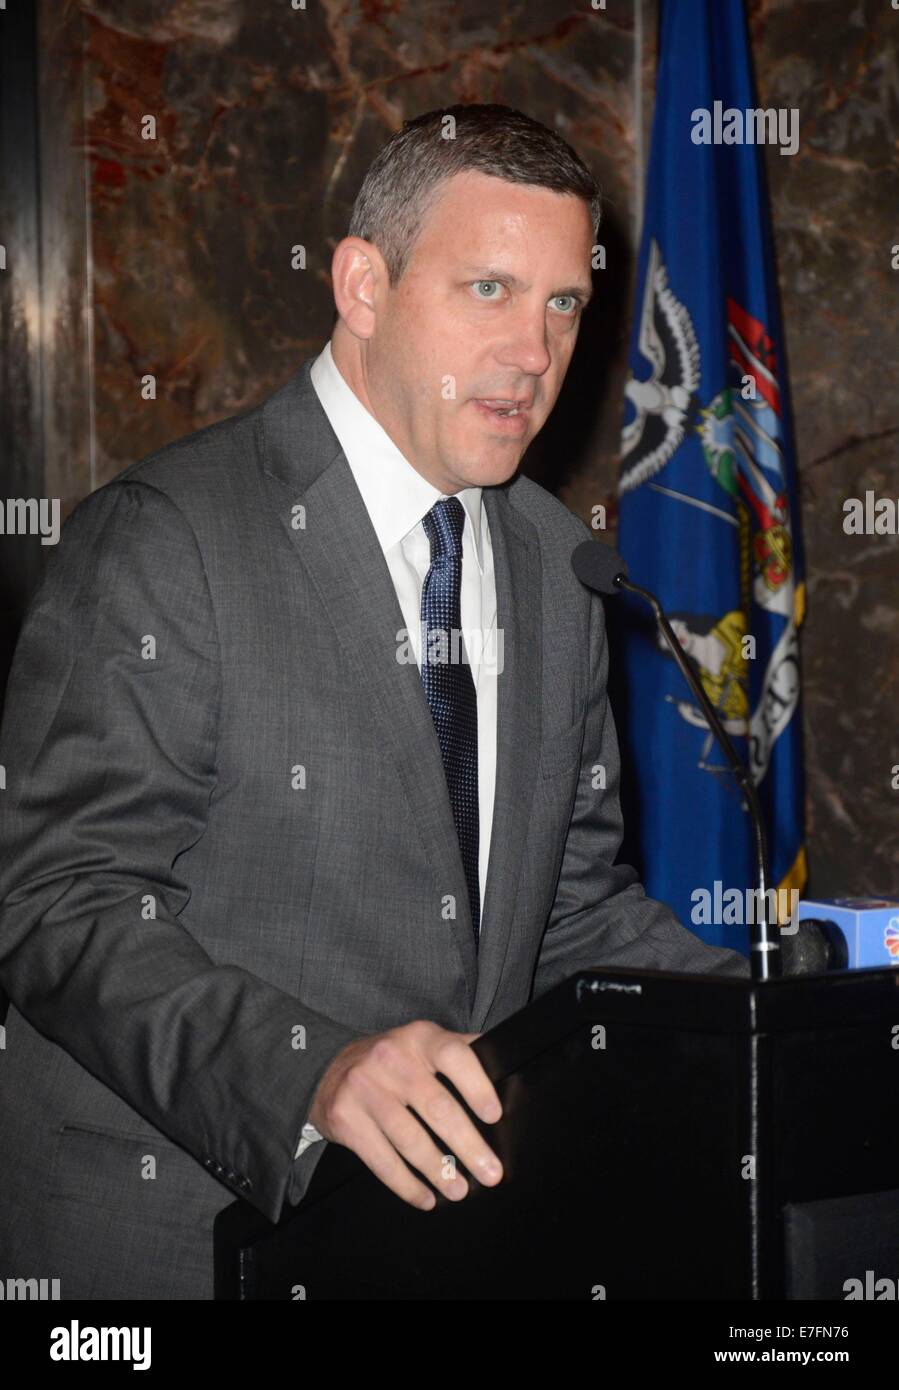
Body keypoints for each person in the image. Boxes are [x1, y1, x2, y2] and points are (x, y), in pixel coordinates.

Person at [0, 103, 748, 1301]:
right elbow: (59, 902)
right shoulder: (171, 537)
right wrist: (310, 1072)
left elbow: (569, 919)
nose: (533, 353)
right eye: (489, 290)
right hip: (176, 1253)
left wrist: (787, 1019)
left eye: (563, 304)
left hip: (441, 1255)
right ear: (361, 284)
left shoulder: (559, 571)